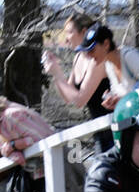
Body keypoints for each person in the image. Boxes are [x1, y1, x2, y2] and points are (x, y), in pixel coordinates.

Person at [42, 12, 115, 153]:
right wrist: (55, 73)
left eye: (69, 32)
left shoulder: (97, 60)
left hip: (114, 129)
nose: (66, 38)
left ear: (84, 32)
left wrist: (57, 73)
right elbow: (68, 97)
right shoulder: (78, 58)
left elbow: (80, 100)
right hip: (100, 130)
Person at [78, 24, 139, 110]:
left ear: (106, 44)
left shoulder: (129, 56)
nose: (89, 55)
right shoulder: (108, 65)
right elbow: (127, 97)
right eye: (87, 51)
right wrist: (115, 100)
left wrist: (132, 101)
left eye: (92, 50)